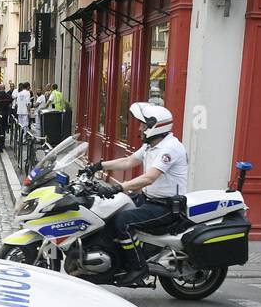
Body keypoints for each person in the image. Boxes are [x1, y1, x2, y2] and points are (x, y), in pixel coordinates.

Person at [81, 101, 189, 270]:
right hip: (149, 200)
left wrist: (118, 187)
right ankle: (112, 257)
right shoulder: (151, 145)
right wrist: (98, 166)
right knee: (109, 209)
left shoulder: (170, 148)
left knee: (123, 221)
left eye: (143, 125)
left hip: (166, 207)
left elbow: (149, 178)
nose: (139, 129)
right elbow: (128, 161)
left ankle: (137, 267)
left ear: (156, 126)